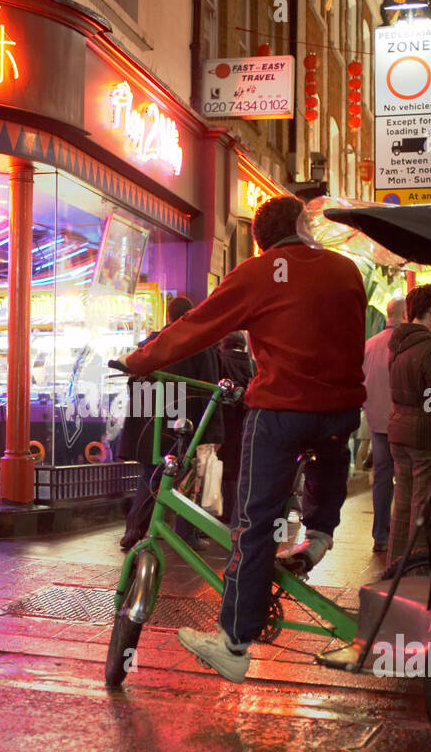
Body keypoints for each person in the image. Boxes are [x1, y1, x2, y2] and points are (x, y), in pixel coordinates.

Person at [123, 196, 366, 682]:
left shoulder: (260, 272)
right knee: (328, 451)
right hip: (340, 408)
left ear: (261, 239)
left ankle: (234, 642)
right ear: (303, 225)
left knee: (254, 521)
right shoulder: (345, 270)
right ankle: (318, 537)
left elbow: (197, 326)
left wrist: (140, 360)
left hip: (282, 410)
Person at [117, 294, 222, 551]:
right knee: (186, 478)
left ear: (168, 317)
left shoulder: (150, 343)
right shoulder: (199, 344)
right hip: (184, 422)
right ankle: (185, 533)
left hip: (151, 424)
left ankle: (133, 530)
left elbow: (135, 383)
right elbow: (210, 389)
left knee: (150, 475)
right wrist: (213, 432)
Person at [387, 284, 431, 566]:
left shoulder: (399, 345)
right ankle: (417, 571)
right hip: (425, 438)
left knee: (403, 507)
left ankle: (395, 567)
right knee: (423, 509)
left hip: (399, 432)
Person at [362, 295, 405, 554]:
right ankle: (401, 535)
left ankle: (380, 535)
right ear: (406, 313)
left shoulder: (368, 345)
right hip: (403, 422)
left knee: (382, 479)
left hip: (377, 422)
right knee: (406, 479)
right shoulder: (406, 344)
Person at [215, 330, 255, 527]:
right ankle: (236, 511)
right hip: (245, 421)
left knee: (221, 466)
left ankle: (222, 509)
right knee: (239, 467)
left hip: (223, 421)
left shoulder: (221, 361)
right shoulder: (251, 364)